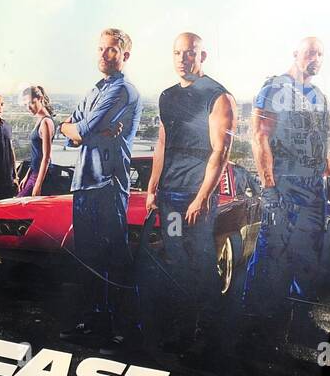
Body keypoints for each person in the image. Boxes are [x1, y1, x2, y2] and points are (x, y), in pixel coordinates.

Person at [143, 32, 236, 353]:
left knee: (200, 261)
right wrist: (152, 188)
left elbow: (220, 152)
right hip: (169, 197)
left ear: (202, 56)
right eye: (178, 53)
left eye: (190, 53)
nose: (183, 59)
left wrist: (202, 197)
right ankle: (183, 331)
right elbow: (162, 144)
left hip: (195, 199)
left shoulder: (217, 96)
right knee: (175, 259)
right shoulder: (167, 96)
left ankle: (207, 336)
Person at [242, 36, 330, 344]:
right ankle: (256, 327)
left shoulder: (319, 96)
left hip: (314, 189)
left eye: (321, 54)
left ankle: (300, 326)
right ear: (296, 53)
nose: (316, 58)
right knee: (273, 255)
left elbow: (319, 141)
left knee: (308, 259)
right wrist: (269, 188)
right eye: (311, 52)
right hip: (284, 185)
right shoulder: (275, 88)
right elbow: (259, 137)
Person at [58, 29, 141, 349]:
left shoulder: (122, 90)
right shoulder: (96, 89)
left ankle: (126, 328)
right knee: (88, 259)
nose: (104, 55)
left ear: (125, 56)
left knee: (114, 258)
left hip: (108, 184)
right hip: (85, 182)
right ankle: (95, 323)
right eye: (100, 49)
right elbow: (74, 131)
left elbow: (83, 128)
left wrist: (83, 130)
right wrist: (80, 130)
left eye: (112, 50)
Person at [17, 85, 56, 197]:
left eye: (31, 102)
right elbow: (36, 154)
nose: (29, 107)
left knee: (20, 206)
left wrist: (37, 185)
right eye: (26, 105)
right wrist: (27, 176)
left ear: (40, 98)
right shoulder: (40, 119)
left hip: (40, 175)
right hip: (34, 173)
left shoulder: (45, 123)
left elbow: (46, 157)